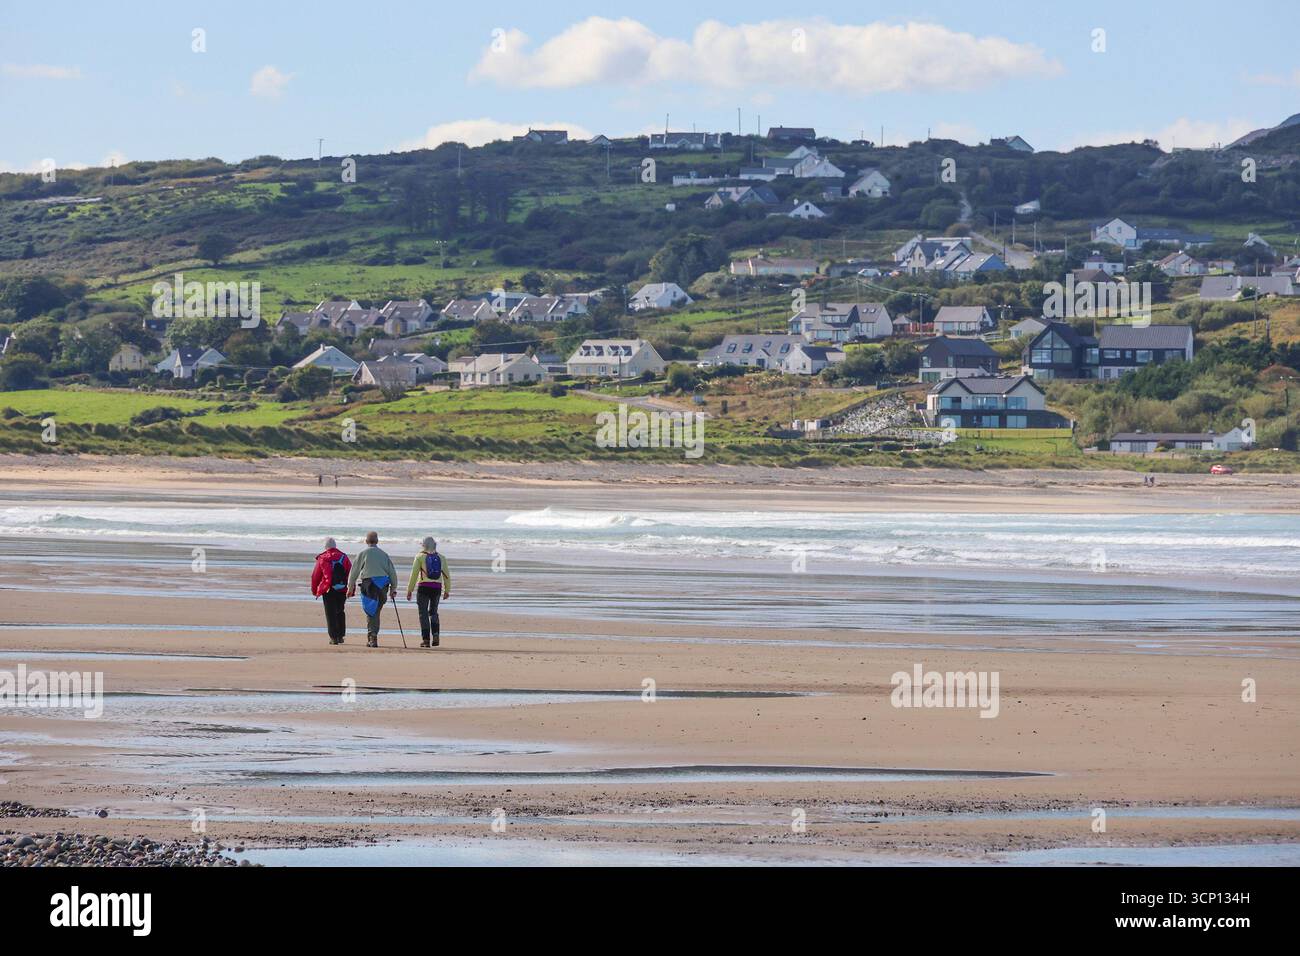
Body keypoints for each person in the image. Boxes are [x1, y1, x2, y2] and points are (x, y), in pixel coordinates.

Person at [347, 531, 397, 648]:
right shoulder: (384, 555)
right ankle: (373, 635)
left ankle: (372, 637)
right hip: (382, 586)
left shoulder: (363, 554)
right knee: (376, 611)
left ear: (366, 541)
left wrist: (350, 587)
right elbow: (392, 572)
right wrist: (393, 588)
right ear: (377, 541)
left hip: (369, 585)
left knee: (371, 612)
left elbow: (354, 572)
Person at [406, 536, 451, 648]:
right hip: (437, 588)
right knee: (434, 612)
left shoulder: (420, 557)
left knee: (423, 614)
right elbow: (446, 575)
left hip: (423, 587)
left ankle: (426, 640)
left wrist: (410, 590)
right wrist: (447, 590)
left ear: (423, 545)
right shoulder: (441, 558)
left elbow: (414, 574)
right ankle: (436, 635)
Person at [310, 537, 350, 645]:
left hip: (328, 589)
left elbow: (315, 576)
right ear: (335, 546)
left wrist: (314, 590)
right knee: (340, 611)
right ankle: (340, 636)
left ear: (325, 547)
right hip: (342, 588)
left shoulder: (322, 558)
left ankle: (333, 637)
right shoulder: (344, 557)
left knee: (330, 613)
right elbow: (350, 573)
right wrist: (351, 588)